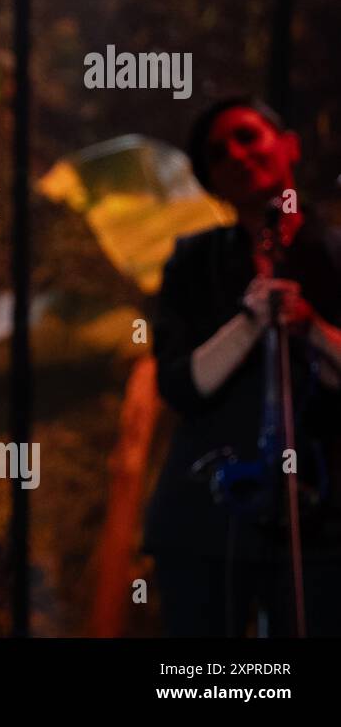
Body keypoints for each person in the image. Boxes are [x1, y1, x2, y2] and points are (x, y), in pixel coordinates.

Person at [143, 96, 341, 636]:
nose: (236, 153)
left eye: (248, 136)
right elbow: (180, 386)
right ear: (211, 181)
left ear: (289, 146)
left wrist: (313, 329)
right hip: (205, 519)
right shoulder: (192, 262)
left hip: (323, 526)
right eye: (217, 152)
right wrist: (250, 321)